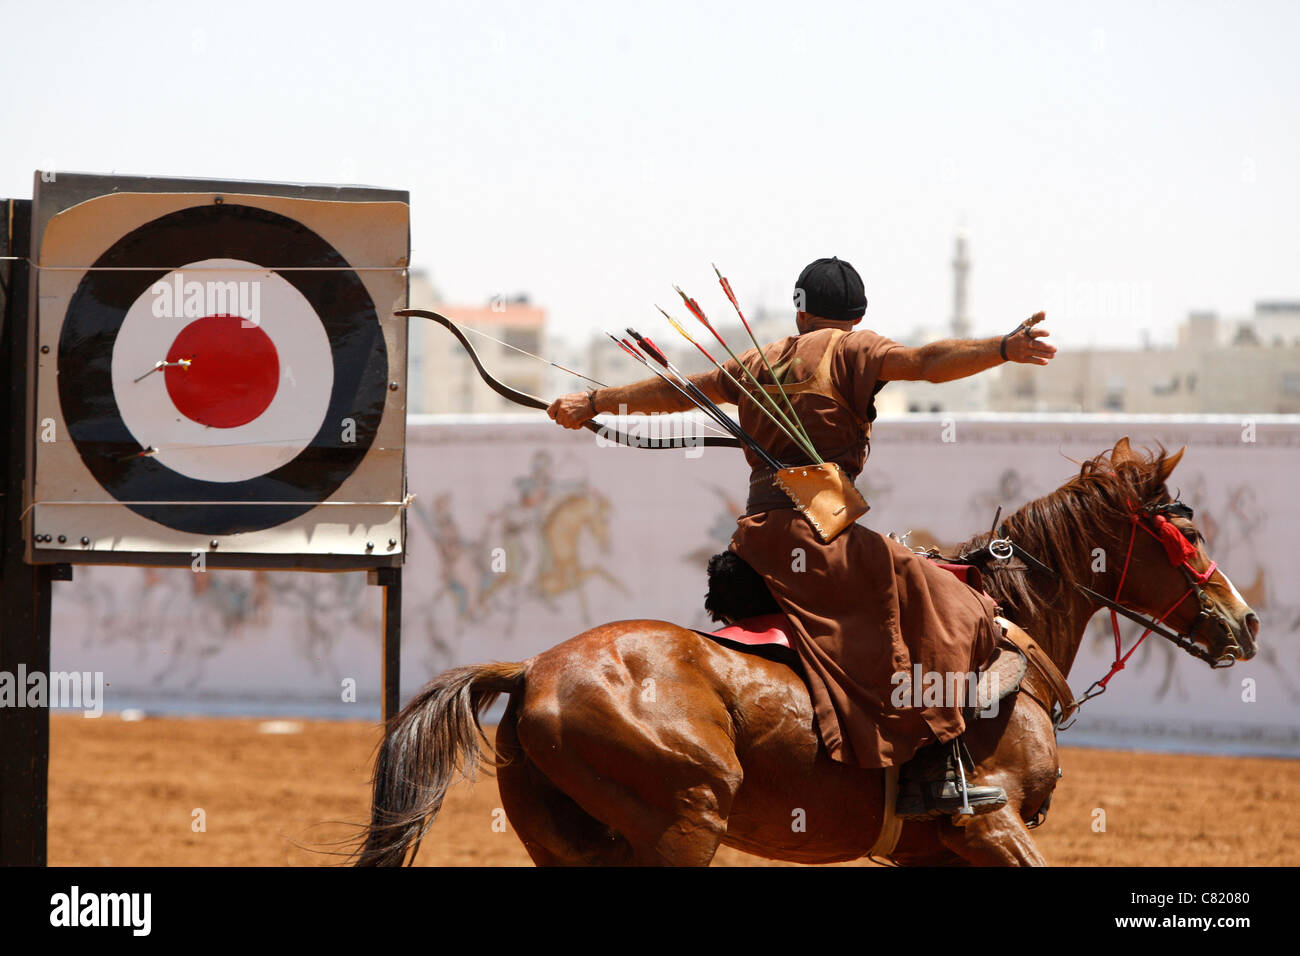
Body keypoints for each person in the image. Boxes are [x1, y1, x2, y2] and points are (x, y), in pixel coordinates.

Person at [547, 256, 1056, 819]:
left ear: (801, 311)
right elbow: (926, 362)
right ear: (857, 314)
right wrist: (1002, 349)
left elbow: (677, 390)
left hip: (758, 539)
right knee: (952, 601)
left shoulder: (758, 361)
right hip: (820, 539)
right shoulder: (854, 349)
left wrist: (592, 402)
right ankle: (936, 766)